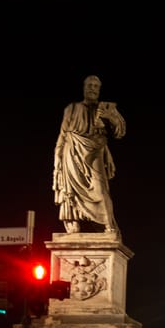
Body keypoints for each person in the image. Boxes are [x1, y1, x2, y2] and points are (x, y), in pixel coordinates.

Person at [53, 75, 126, 235]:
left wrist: (110, 118)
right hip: (72, 151)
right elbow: (63, 134)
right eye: (89, 85)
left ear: (99, 90)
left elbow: (120, 131)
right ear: (84, 88)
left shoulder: (106, 108)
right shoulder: (71, 108)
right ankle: (73, 223)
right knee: (71, 188)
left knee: (100, 188)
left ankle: (108, 225)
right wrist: (57, 157)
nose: (92, 88)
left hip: (95, 151)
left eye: (95, 86)